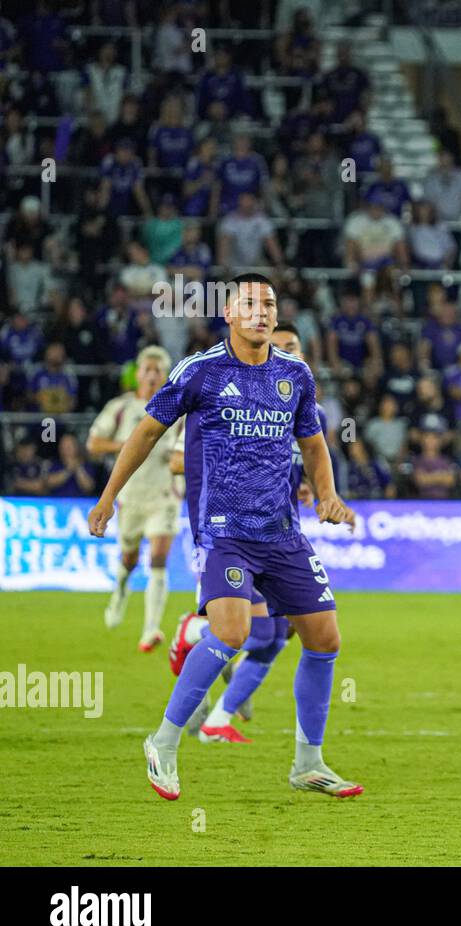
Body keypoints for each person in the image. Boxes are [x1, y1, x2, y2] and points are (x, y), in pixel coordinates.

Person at [87, 275, 361, 801]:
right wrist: (108, 497)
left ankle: (309, 762)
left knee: (325, 639)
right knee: (232, 634)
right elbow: (146, 433)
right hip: (223, 532)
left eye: (271, 305)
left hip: (282, 533)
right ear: (230, 313)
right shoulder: (202, 371)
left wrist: (326, 493)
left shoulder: (295, 376)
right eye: (252, 304)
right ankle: (164, 742)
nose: (263, 313)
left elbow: (315, 443)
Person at [167, 322, 325, 745]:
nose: (290, 352)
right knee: (251, 633)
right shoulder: (221, 389)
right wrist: (240, 463)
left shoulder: (301, 402)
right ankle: (193, 633)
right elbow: (177, 461)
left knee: (277, 639)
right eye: (282, 345)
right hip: (229, 531)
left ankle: (219, 717)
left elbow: (301, 462)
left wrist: (305, 487)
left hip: (280, 532)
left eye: (295, 347)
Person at [87, 346, 182, 652]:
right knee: (129, 558)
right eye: (148, 369)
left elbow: (188, 446)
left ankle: (151, 628)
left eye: (158, 370)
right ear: (138, 372)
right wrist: (128, 446)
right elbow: (93, 443)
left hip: (164, 495)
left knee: (158, 559)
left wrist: (179, 457)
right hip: (130, 497)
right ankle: (121, 589)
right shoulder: (122, 407)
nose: (153, 375)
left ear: (165, 375)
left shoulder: (177, 409)